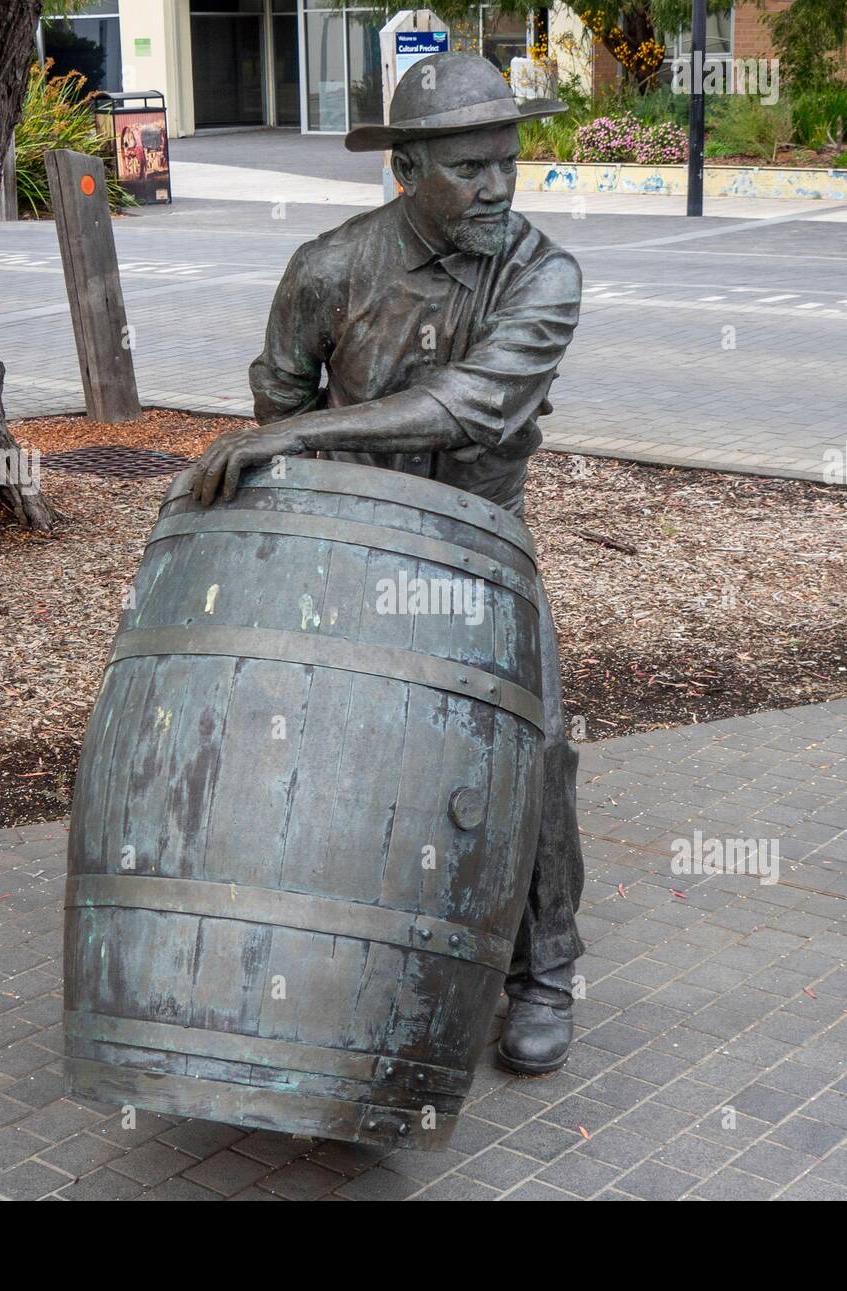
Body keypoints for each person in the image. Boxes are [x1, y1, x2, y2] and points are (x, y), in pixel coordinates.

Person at [188, 52, 585, 1075]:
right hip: (352, 537)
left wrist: (306, 436)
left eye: (508, 162)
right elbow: (279, 392)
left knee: (534, 748)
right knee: (320, 740)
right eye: (470, 169)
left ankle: (543, 970)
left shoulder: (543, 273)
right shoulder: (330, 267)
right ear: (407, 167)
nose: (498, 186)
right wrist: (302, 455)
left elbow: (477, 403)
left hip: (481, 538)